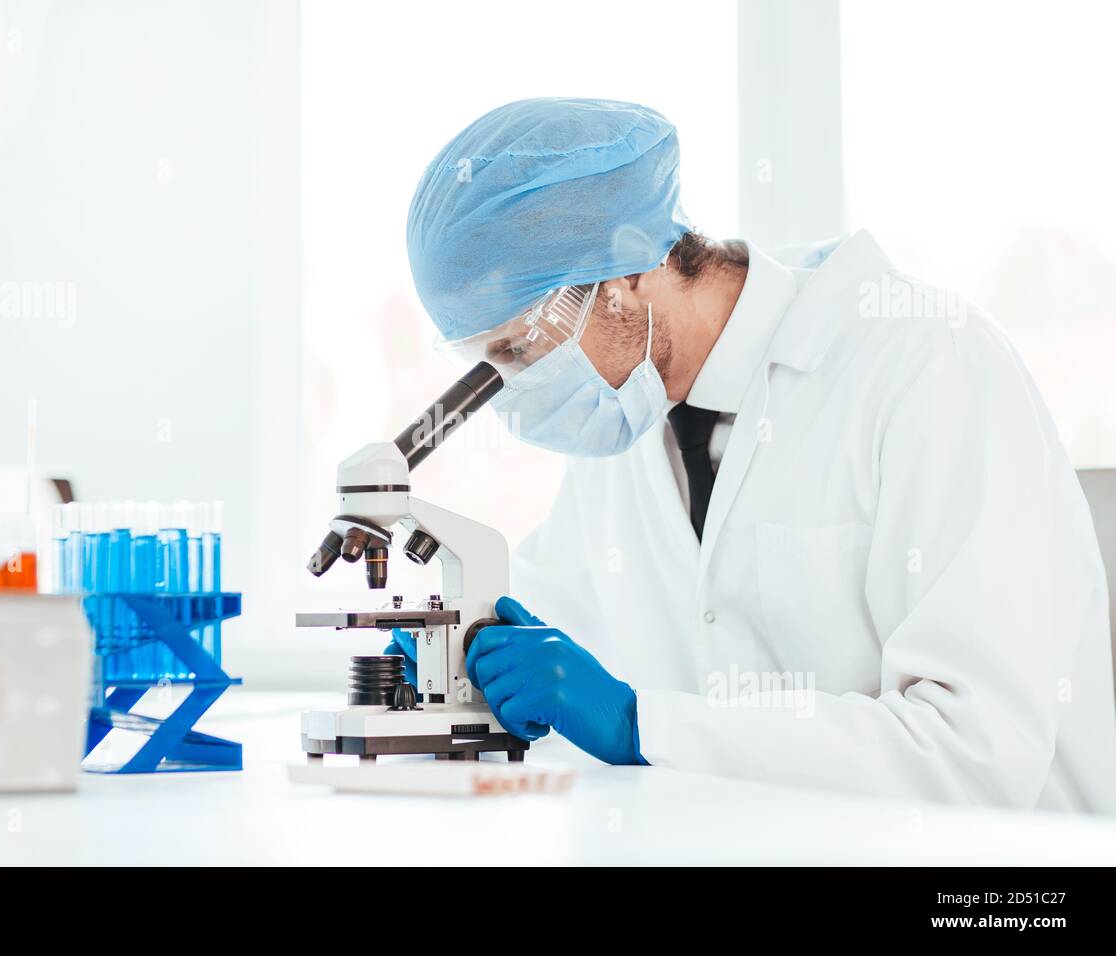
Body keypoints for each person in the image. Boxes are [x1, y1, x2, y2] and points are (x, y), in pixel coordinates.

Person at [390, 97, 1116, 811]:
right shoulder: (622, 419)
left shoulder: (928, 366)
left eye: (519, 349)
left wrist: (642, 725)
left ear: (625, 275)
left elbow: (975, 753)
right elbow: (559, 629)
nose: (516, 390)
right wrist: (459, 657)